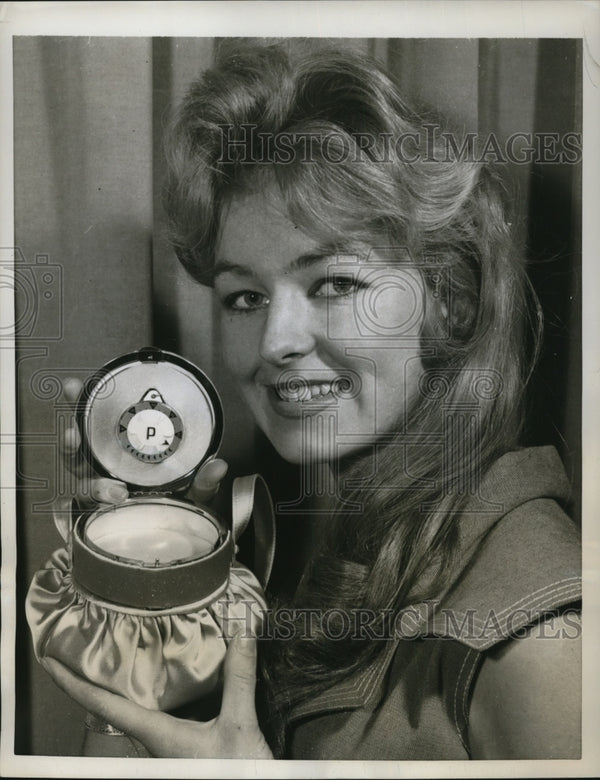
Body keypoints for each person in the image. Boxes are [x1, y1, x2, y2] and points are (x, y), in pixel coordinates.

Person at [40, 40, 581, 760]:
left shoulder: (544, 636)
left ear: (448, 300)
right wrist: (140, 614)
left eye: (334, 284)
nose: (274, 342)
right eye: (245, 297)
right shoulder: (271, 537)